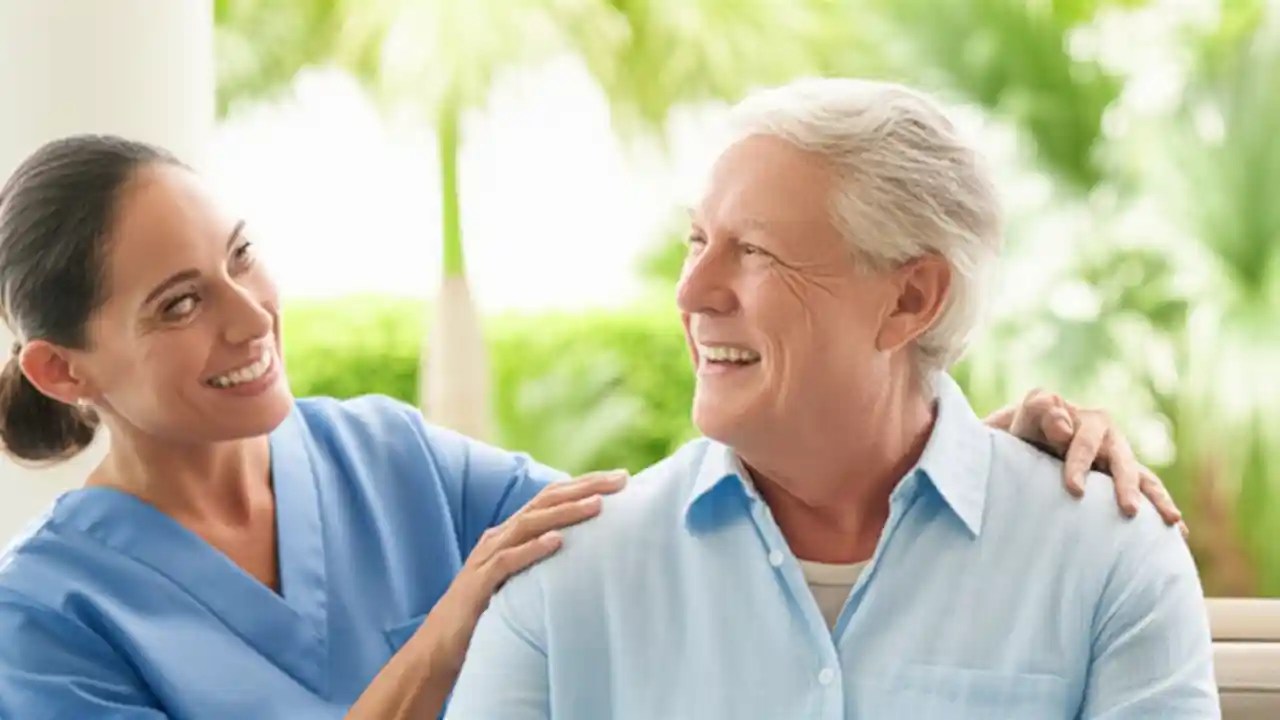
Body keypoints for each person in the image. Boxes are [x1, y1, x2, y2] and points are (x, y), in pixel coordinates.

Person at [0, 136, 1179, 720]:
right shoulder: (49, 623)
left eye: (241, 255)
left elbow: (704, 520)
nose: (251, 314)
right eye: (179, 303)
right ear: (63, 368)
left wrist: (959, 439)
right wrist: (439, 638)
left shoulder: (390, 458)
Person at [446, 79, 1218, 719]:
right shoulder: (566, 578)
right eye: (697, 241)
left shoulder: (1107, 558)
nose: (692, 292)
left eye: (753, 251)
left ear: (910, 299)